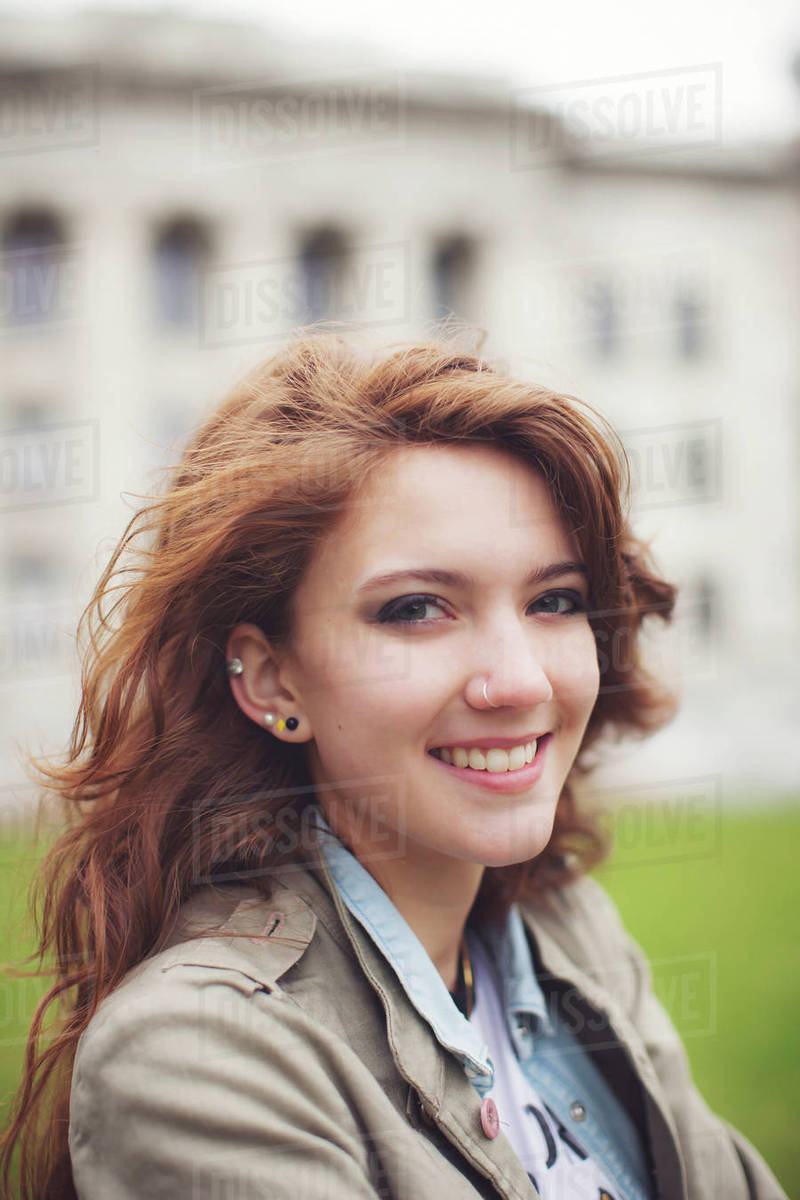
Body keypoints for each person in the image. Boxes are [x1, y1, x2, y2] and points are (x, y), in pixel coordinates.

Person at [0, 333, 788, 1200]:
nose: (519, 680)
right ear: (271, 676)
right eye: (417, 610)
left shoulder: (568, 929)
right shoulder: (197, 1051)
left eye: (552, 601)